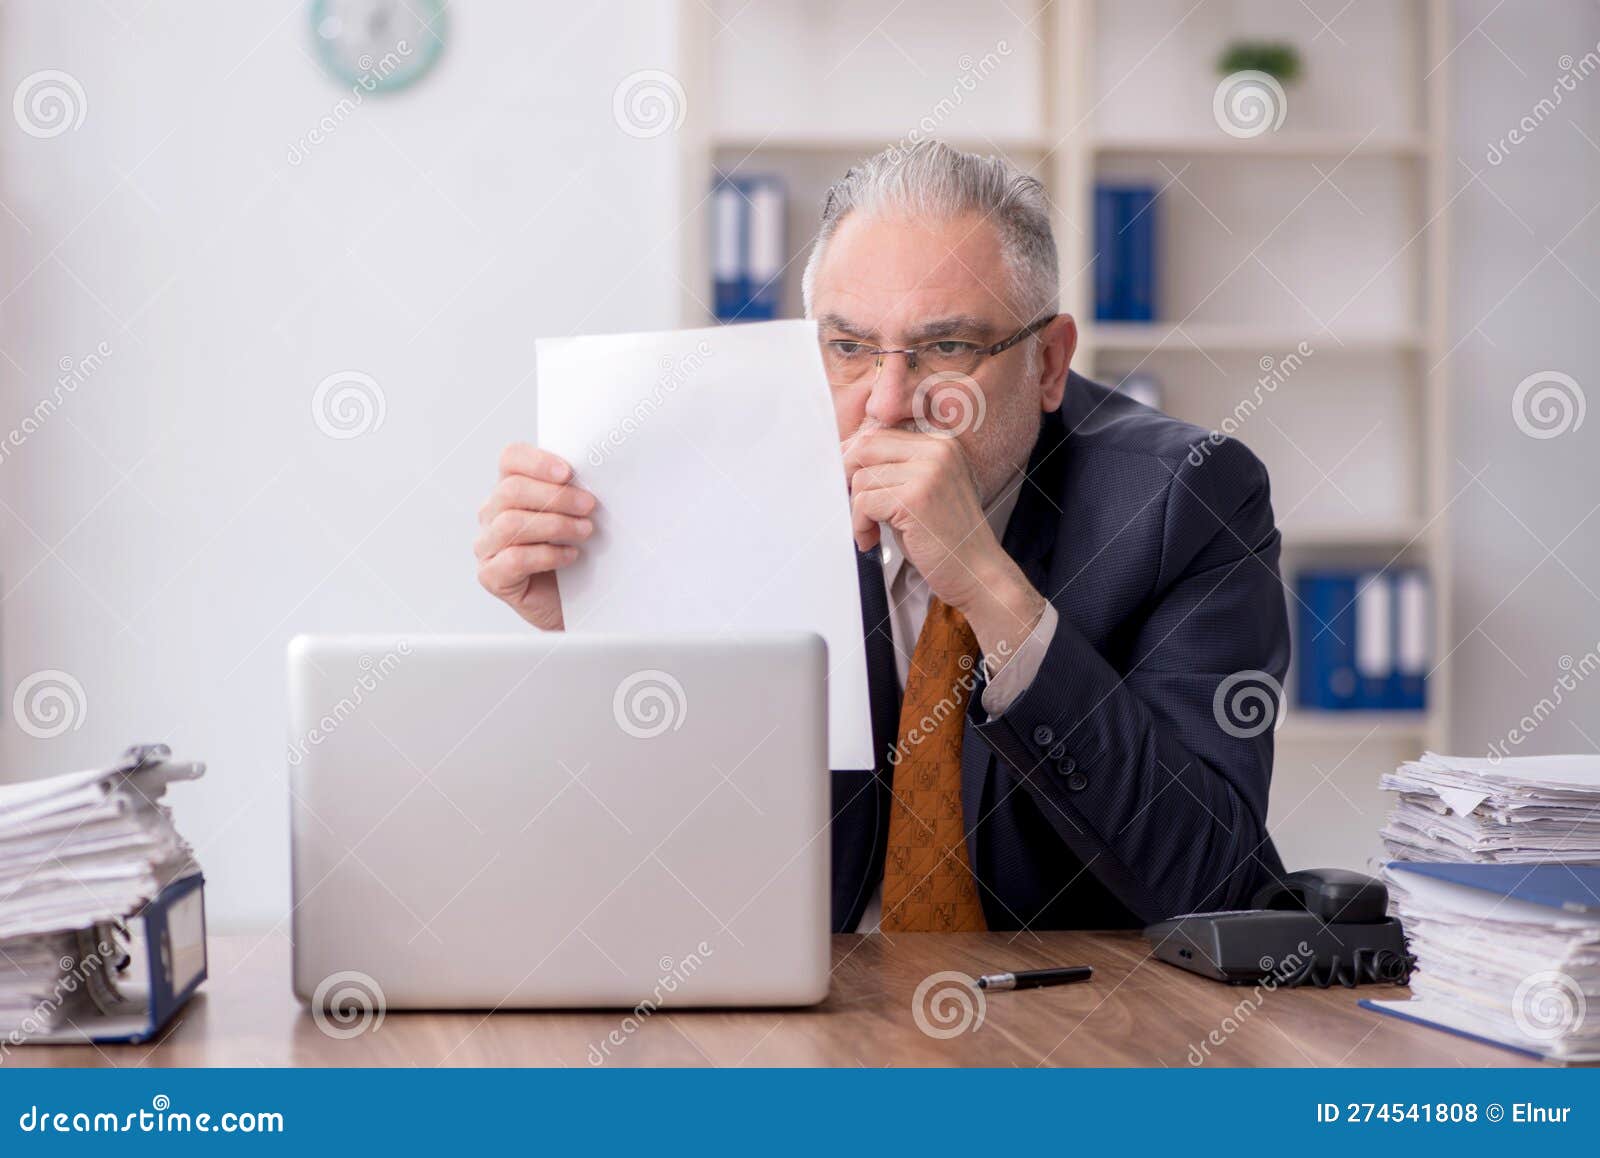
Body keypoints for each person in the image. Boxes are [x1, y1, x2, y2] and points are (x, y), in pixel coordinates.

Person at [475, 141, 1291, 934]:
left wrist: (990, 589)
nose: (886, 404)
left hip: (1072, 1034)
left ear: (1048, 362)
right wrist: (598, 624)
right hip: (807, 1016)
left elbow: (1218, 882)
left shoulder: (1186, 500)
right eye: (850, 348)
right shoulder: (733, 481)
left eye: (946, 348)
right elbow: (673, 857)